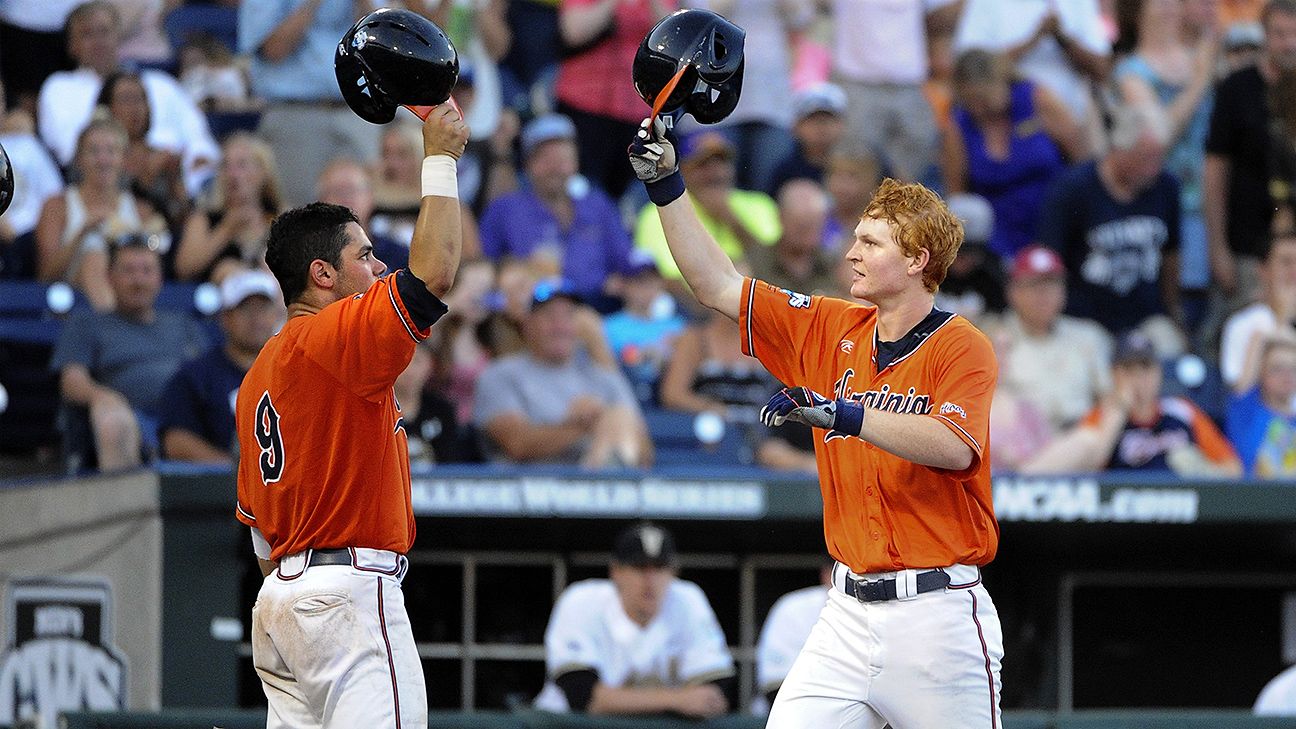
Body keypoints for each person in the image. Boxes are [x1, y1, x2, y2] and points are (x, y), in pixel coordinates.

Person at [629, 116, 1004, 727]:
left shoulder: (962, 345)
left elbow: (954, 446)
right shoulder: (829, 324)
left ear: (917, 259)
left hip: (937, 616)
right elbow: (717, 283)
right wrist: (668, 184)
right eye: (854, 238)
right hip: (848, 612)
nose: (851, 252)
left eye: (872, 243)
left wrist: (849, 414)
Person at [233, 105, 469, 728]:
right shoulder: (334, 333)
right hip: (350, 593)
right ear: (322, 274)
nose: (379, 266)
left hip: (281, 599)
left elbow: (260, 535)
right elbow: (434, 277)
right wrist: (441, 159)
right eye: (364, 256)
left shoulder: (258, 374)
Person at [532, 522, 736, 717]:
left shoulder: (688, 600)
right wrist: (678, 700)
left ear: (674, 572)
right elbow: (584, 698)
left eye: (659, 568)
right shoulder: (581, 601)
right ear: (616, 572)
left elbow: (714, 694)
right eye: (639, 568)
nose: (650, 581)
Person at [49, 236, 210, 471]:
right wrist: (101, 397)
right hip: (127, 416)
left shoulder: (183, 325)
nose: (138, 280)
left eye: (147, 271)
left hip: (186, 421)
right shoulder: (87, 323)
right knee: (113, 419)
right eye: (129, 271)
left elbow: (210, 374)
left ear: (159, 279)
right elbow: (72, 381)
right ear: (110, 278)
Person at [1114, 0, 1219, 340]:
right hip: (1167, 200)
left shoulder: (1200, 56)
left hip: (1214, 196)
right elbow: (1160, 134)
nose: (1170, 7)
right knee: (1183, 302)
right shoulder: (1131, 71)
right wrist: (1202, 79)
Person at [1036, 102, 1184, 344]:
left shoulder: (1166, 188)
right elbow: (1051, 262)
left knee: (1170, 348)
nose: (1154, 168)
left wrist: (1173, 310)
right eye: (1146, 158)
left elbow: (1171, 256)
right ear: (1119, 150)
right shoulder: (1071, 191)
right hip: (1083, 320)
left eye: (1160, 157)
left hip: (1145, 317)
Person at [38, 1, 219, 195]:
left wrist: (179, 165)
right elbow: (70, 151)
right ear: (72, 45)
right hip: (106, 188)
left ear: (118, 36)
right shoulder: (59, 87)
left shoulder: (161, 83)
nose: (98, 41)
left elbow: (201, 143)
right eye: (87, 34)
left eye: (104, 31)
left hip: (179, 184)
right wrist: (142, 164)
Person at [473, 279, 652, 468]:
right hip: (529, 488)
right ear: (527, 324)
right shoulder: (501, 374)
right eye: (550, 317)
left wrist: (604, 420)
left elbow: (645, 454)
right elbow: (517, 444)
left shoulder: (603, 377)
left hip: (597, 479)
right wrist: (587, 423)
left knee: (620, 416)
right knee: (616, 418)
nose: (560, 326)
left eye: (569, 316)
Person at [1022, 330, 1242, 476]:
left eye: (1145, 368)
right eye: (1129, 370)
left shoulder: (1181, 411)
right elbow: (1086, 471)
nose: (1138, 380)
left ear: (1158, 372)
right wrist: (1117, 414)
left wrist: (1204, 471)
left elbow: (1234, 469)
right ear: (1115, 374)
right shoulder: (1102, 417)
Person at [237, 0, 384, 206]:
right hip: (298, 115)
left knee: (365, 208)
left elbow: (381, 41)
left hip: (357, 110)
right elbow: (274, 50)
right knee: (300, 213)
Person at [942, 49, 1084, 260]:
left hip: (1052, 222)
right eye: (970, 101)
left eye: (984, 98)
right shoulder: (959, 125)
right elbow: (958, 196)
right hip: (995, 239)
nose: (979, 108)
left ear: (1001, 82)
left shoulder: (1037, 99)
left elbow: (1081, 159)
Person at [479, 114, 634, 306]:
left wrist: (622, 282)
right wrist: (519, 272)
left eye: (563, 159)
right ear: (528, 164)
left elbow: (626, 261)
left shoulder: (597, 205)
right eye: (546, 159)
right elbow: (485, 267)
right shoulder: (505, 209)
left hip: (599, 307)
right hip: (533, 311)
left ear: (576, 162)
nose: (556, 168)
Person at [1204, 0, 1296, 307]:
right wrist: (1218, 250)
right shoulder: (1236, 88)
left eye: (1295, 34)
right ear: (1265, 36)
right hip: (1247, 247)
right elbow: (1215, 172)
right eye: (1280, 34)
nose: (1289, 43)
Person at [824, 0, 963, 182]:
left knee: (917, 148)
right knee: (856, 161)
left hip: (909, 83)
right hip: (859, 81)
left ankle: (895, 205)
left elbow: (944, 12)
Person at [158, 269, 283, 464]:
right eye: (246, 308)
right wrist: (235, 472)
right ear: (225, 318)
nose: (256, 317)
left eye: (263, 308)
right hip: (219, 489)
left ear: (275, 316)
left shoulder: (292, 371)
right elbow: (175, 442)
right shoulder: (195, 376)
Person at [35, 117, 159, 310]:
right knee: (94, 257)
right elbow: (46, 274)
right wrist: (83, 232)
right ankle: (114, 331)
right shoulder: (57, 205)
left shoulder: (141, 210)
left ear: (123, 160)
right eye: (94, 151)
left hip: (130, 288)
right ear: (79, 159)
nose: (103, 160)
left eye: (111, 151)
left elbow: (155, 260)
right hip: (70, 300)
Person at [634, 132, 781, 293]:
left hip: (756, 304)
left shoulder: (760, 204)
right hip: (689, 310)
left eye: (722, 163)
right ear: (682, 170)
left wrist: (729, 218)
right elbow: (669, 280)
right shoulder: (660, 211)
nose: (715, 173)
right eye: (703, 165)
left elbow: (776, 268)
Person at [992, 245, 1113, 434]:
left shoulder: (1089, 336)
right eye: (1034, 284)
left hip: (1081, 441)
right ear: (1013, 292)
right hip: (1021, 443)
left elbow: (1108, 398)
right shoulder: (991, 338)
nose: (1044, 293)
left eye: (1052, 283)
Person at [953, 0, 1112, 127]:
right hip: (1007, 127)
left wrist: (1062, 37)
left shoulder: (1078, 3)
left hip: (1072, 120)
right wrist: (1033, 40)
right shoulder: (984, 4)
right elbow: (967, 69)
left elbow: (1102, 71)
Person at [173, 133, 284, 283]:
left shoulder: (282, 219)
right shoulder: (204, 219)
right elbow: (184, 269)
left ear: (263, 172)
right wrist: (226, 230)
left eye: (241, 165)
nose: (232, 174)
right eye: (226, 166)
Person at [602, 250, 688, 406]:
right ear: (623, 284)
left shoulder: (679, 326)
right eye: (639, 281)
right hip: (627, 397)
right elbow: (608, 366)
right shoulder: (608, 326)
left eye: (652, 280)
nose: (647, 287)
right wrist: (643, 355)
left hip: (669, 398)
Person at [753, 562, 832, 714]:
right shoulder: (794, 607)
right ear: (827, 574)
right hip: (786, 715)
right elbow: (775, 686)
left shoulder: (884, 612)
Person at [1221, 232, 1296, 393]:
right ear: (1263, 270)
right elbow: (1241, 394)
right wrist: (1282, 320)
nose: (1294, 272)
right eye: (1286, 262)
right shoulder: (1243, 323)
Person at [744, 180, 843, 297]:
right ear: (781, 217)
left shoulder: (832, 265)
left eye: (814, 225)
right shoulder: (754, 263)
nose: (807, 236)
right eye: (801, 227)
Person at [1226, 334, 1296, 476]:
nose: (1287, 375)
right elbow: (1258, 337)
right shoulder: (1245, 412)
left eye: (1293, 368)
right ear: (1261, 372)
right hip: (1255, 496)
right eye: (1277, 368)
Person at [934, 192, 1007, 324]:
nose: (962, 259)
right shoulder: (925, 273)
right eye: (956, 251)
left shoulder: (994, 277)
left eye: (970, 252)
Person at [767, 83, 848, 197]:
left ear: (842, 125)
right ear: (796, 126)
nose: (821, 128)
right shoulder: (785, 171)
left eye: (828, 120)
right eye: (813, 120)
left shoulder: (860, 166)